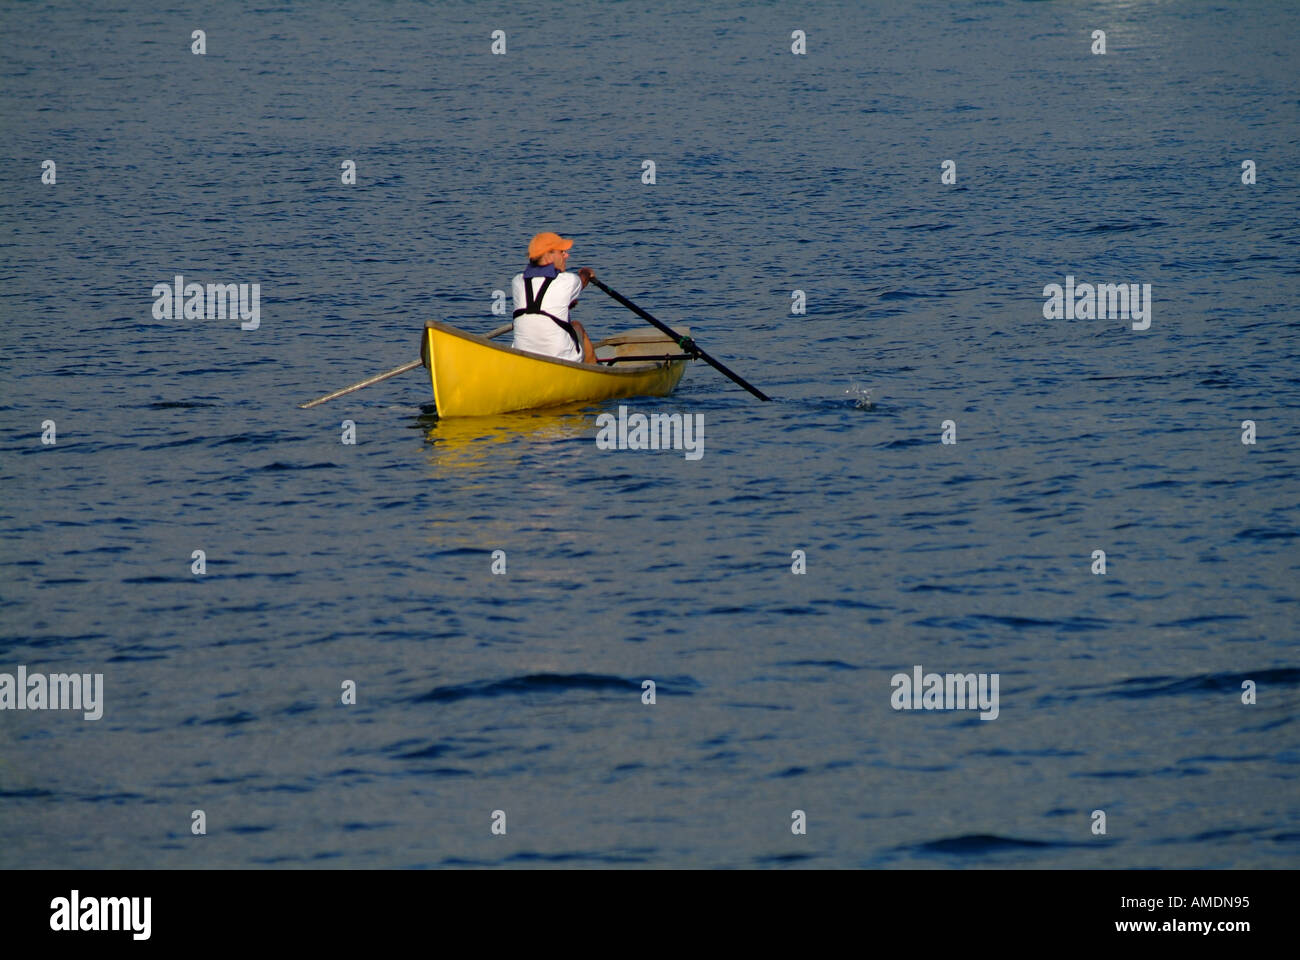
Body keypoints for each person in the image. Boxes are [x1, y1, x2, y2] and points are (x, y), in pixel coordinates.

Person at [511, 232, 597, 364]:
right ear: (548, 255)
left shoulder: (517, 281)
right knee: (576, 325)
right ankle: (594, 371)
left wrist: (567, 305)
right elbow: (583, 281)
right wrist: (586, 272)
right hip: (562, 360)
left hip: (523, 359)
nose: (567, 255)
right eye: (562, 252)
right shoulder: (568, 281)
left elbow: (542, 301)